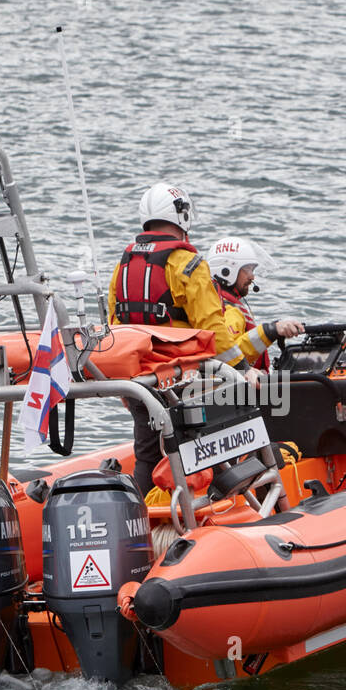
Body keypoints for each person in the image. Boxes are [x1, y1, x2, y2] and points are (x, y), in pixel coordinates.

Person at [108, 182, 258, 495]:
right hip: (184, 380)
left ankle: (145, 514)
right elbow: (213, 328)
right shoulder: (189, 265)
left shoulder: (122, 267)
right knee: (216, 444)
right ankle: (221, 512)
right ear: (182, 216)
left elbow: (113, 326)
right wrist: (244, 369)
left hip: (140, 381)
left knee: (147, 453)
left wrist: (124, 384)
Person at [206, 236, 305, 371]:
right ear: (226, 271)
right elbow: (230, 357)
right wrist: (271, 330)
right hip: (236, 387)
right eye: (247, 269)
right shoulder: (229, 311)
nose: (252, 277)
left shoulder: (219, 304)